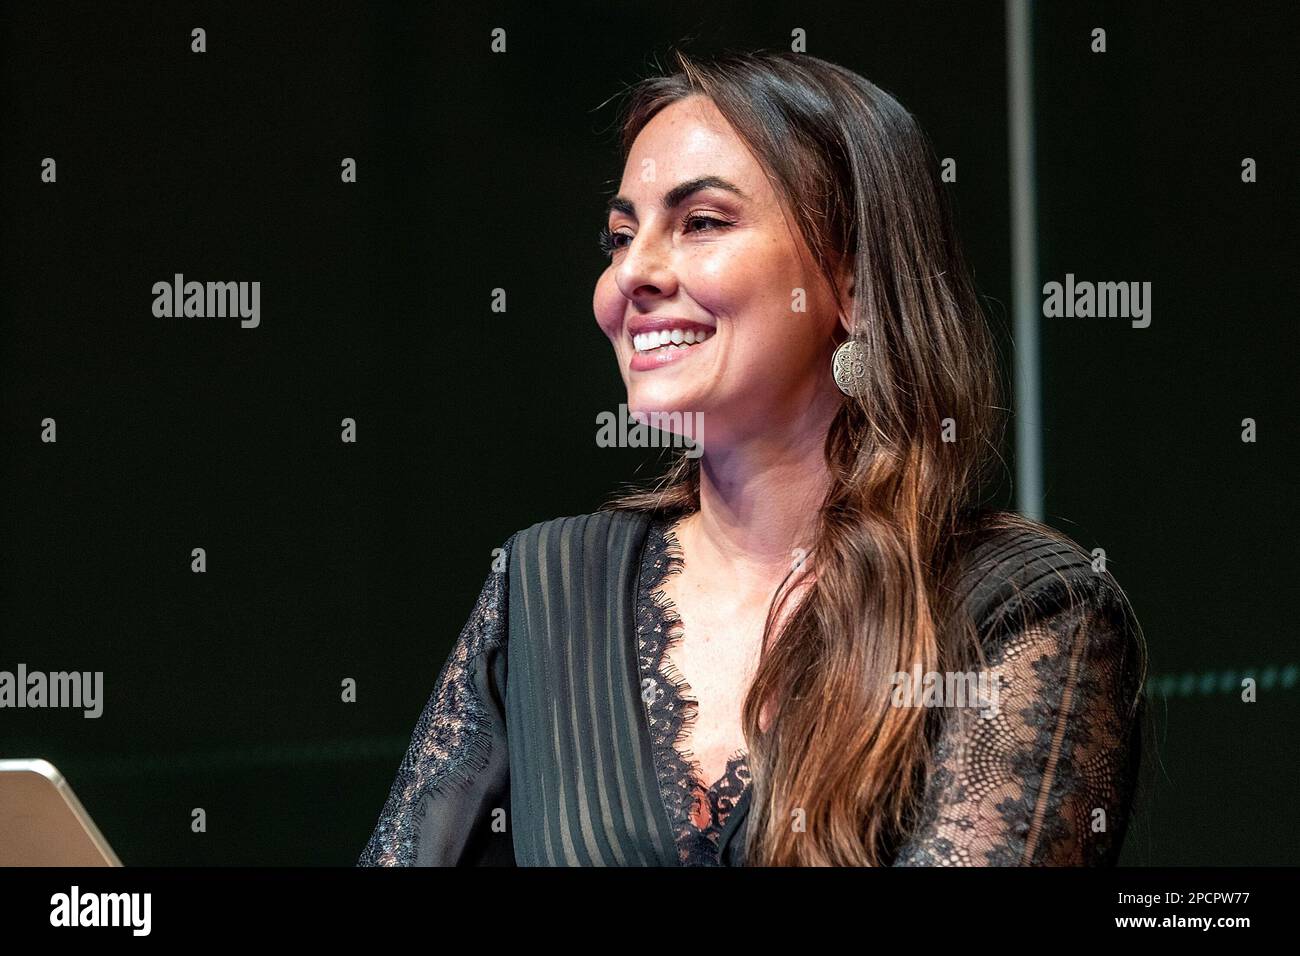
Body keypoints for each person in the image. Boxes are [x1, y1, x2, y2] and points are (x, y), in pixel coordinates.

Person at [357, 49, 1147, 867]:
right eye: (620, 235)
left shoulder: (1025, 607)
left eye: (701, 222)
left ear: (857, 287)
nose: (632, 272)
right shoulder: (545, 585)